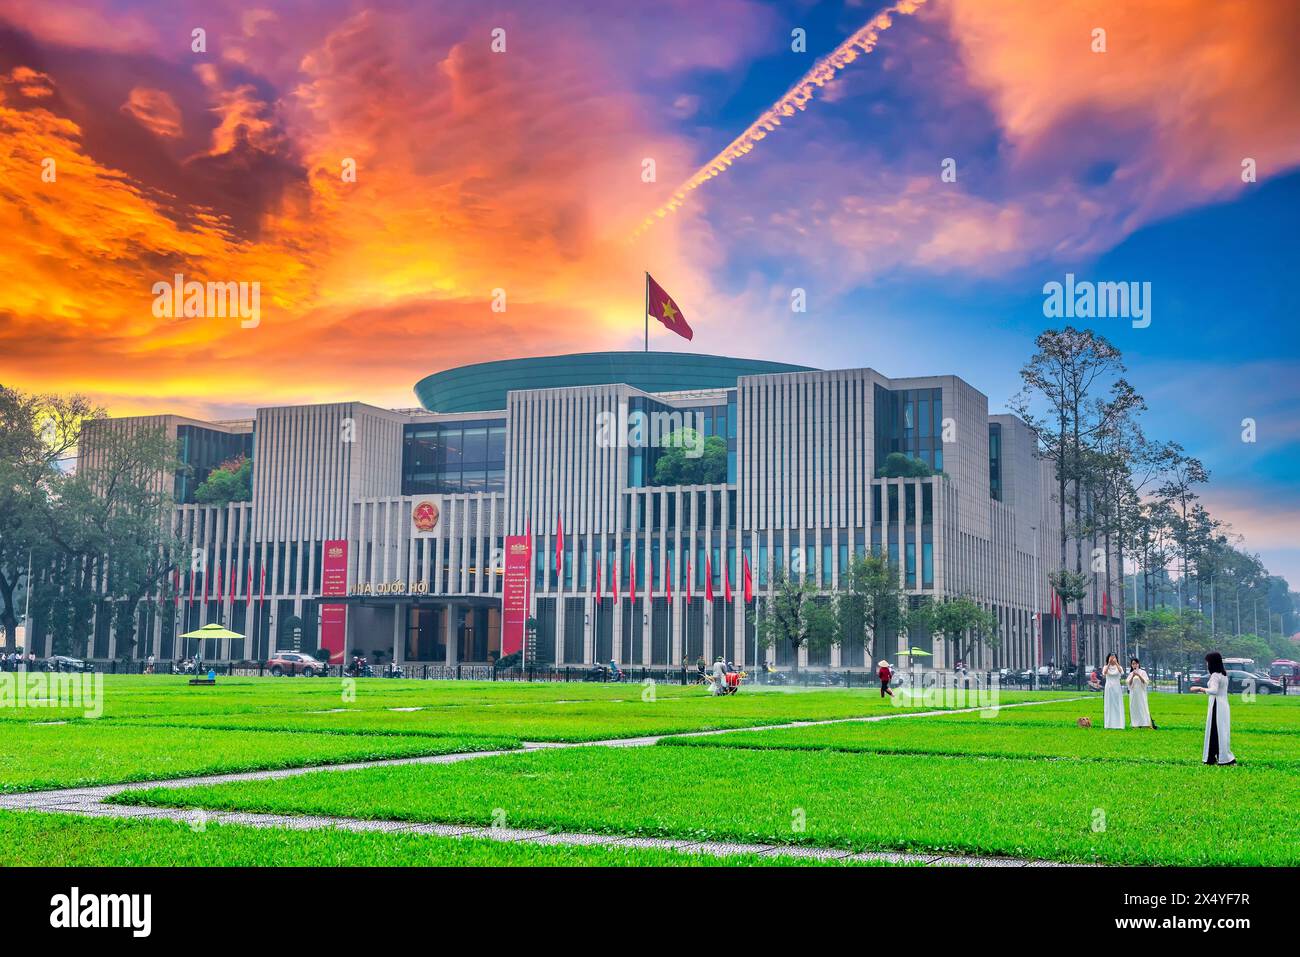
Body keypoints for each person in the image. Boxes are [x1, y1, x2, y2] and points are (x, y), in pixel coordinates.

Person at [1192, 652, 1235, 765]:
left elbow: (1214, 691)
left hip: (1217, 705)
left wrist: (1200, 689)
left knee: (1214, 731)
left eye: (1207, 662)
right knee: (1222, 732)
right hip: (1223, 705)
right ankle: (1223, 756)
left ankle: (1212, 757)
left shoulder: (1215, 675)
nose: (1206, 664)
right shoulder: (1224, 675)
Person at [1126, 657, 1155, 729]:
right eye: (1133, 664)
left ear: (1138, 664)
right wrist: (1133, 676)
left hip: (1141, 693)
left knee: (1142, 706)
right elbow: (1129, 684)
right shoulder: (1131, 674)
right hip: (1133, 694)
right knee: (1134, 707)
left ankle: (1145, 723)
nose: (1134, 665)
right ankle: (1135, 723)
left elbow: (1145, 682)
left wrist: (1138, 675)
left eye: (1135, 663)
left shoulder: (1143, 672)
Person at [1102, 653, 1125, 728]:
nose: (1112, 659)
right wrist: (1109, 664)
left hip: (1117, 687)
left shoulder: (1119, 667)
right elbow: (1104, 673)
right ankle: (1109, 724)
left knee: (1117, 704)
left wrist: (1116, 663)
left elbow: (1121, 672)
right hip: (1109, 687)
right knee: (1109, 704)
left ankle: (1119, 724)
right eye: (1111, 657)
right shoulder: (1105, 667)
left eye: (1114, 657)